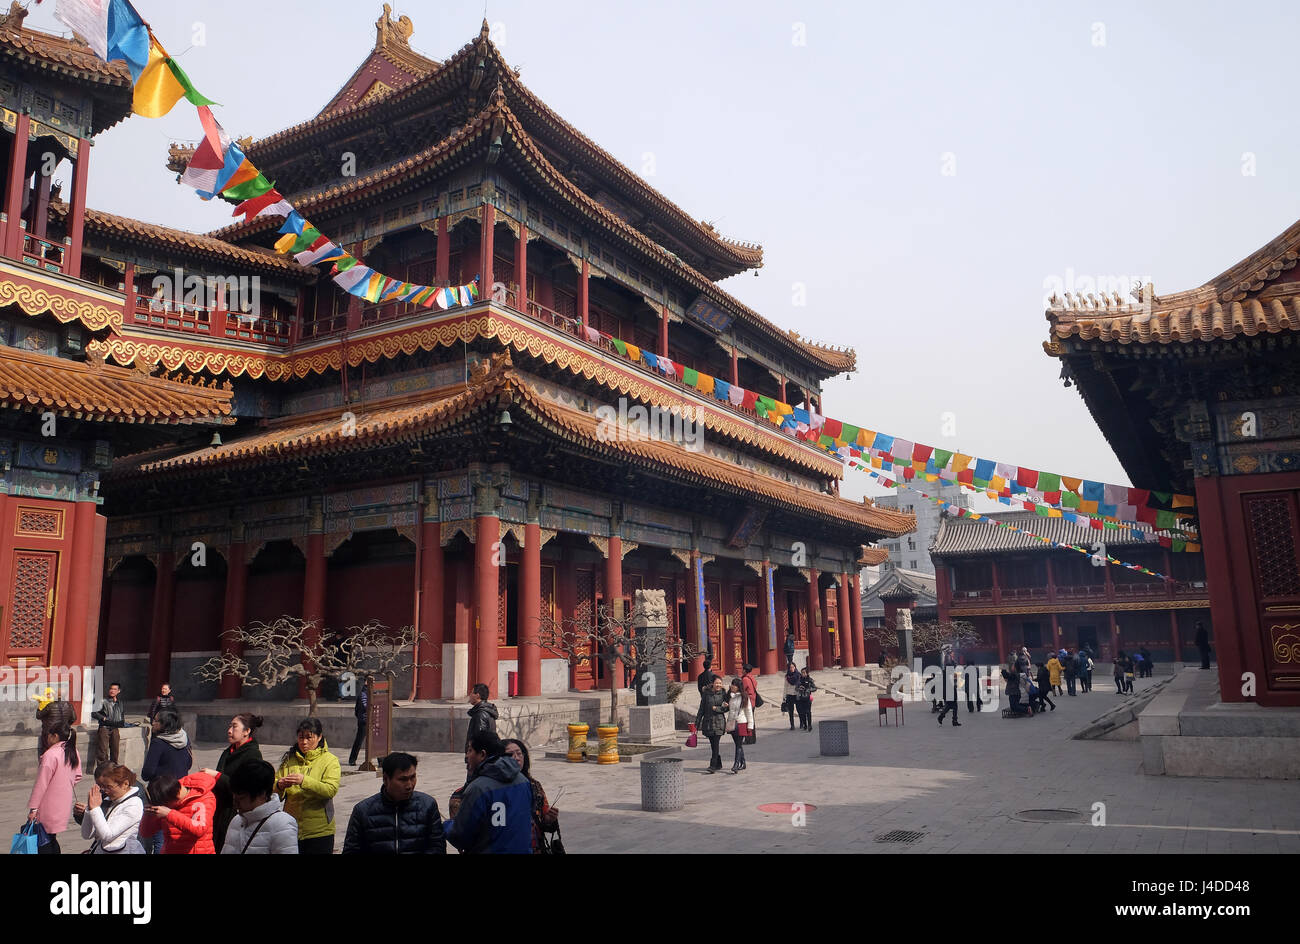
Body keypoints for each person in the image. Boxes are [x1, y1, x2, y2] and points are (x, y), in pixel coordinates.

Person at [444, 732, 533, 854]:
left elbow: (460, 836)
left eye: (470, 750)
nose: (467, 756)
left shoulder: (478, 788)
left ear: (482, 754)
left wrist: (448, 826)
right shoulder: (523, 781)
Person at [342, 752, 445, 854]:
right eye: (402, 779)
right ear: (386, 779)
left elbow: (437, 847)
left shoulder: (427, 806)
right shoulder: (363, 811)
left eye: (412, 777)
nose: (409, 785)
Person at [275, 717, 341, 854]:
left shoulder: (330, 761)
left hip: (319, 831)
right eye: (300, 737)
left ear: (319, 737)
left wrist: (304, 781)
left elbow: (330, 790)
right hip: (291, 828)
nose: (304, 742)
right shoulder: (289, 760)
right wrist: (279, 785)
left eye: (309, 738)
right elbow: (274, 792)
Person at [201, 712, 263, 853]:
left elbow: (246, 787)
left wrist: (217, 776)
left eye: (234, 727)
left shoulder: (253, 754)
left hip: (237, 813)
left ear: (247, 731)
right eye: (230, 726)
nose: (229, 731)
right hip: (219, 811)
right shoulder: (228, 751)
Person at [27, 721, 82, 854]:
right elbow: (78, 775)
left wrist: (34, 808)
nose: (47, 738)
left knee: (43, 839)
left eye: (48, 735)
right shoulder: (72, 751)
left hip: (47, 804)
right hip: (63, 802)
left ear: (55, 736)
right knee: (51, 836)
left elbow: (41, 784)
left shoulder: (50, 755)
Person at [222, 760, 299, 854]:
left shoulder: (282, 824)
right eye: (234, 797)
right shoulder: (236, 821)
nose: (236, 803)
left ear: (262, 794)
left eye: (241, 798)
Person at [502, 738, 559, 854]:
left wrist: (549, 820)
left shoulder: (534, 785)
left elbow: (544, 823)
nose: (516, 758)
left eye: (519, 753)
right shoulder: (495, 788)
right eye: (510, 754)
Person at [141, 771, 218, 854]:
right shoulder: (167, 802)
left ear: (175, 796)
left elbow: (199, 829)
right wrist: (148, 815)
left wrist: (169, 814)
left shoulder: (204, 798)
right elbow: (146, 833)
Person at [75, 763, 144, 854]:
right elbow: (87, 834)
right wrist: (89, 809)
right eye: (102, 787)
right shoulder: (108, 800)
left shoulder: (134, 804)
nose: (105, 791)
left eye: (109, 787)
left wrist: (95, 809)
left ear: (125, 784)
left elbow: (107, 835)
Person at [696, 675, 729, 771]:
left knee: (716, 743)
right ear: (712, 684)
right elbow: (701, 708)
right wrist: (697, 722)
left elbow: (726, 708)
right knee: (712, 744)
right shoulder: (706, 694)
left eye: (720, 683)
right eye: (716, 683)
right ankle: (718, 763)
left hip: (719, 722)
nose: (718, 685)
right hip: (708, 722)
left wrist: (717, 708)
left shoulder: (724, 694)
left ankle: (713, 765)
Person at [92, 682, 125, 768]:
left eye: (114, 689)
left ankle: (114, 769)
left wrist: (122, 721)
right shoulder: (102, 701)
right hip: (104, 728)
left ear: (119, 691)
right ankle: (102, 770)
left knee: (115, 750)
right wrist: (103, 718)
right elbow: (94, 713)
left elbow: (121, 714)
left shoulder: (120, 703)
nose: (112, 691)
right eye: (111, 689)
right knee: (102, 751)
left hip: (115, 728)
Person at [726, 677, 752, 773]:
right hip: (732, 722)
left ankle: (736, 764)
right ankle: (743, 762)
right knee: (738, 744)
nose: (732, 686)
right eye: (732, 684)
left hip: (741, 722)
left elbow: (749, 712)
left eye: (734, 684)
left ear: (738, 686)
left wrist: (750, 725)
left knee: (738, 745)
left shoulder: (744, 697)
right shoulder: (729, 696)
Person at [465, 682, 498, 751]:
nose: (470, 695)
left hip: (479, 756)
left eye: (471, 693)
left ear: (477, 695)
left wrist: (472, 754)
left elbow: (479, 739)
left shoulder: (481, 714)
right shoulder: (486, 711)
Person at [936, 649, 962, 726]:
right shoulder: (949, 674)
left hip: (947, 691)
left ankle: (949, 718)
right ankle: (945, 717)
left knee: (951, 705)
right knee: (952, 705)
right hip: (950, 691)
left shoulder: (945, 673)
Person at [348, 675, 368, 766]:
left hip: (372, 719)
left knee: (375, 741)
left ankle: (381, 760)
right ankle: (352, 759)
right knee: (359, 740)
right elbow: (365, 705)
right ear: (366, 682)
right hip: (364, 721)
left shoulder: (373, 691)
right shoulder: (363, 693)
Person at [741, 663, 759, 743]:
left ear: (745, 670)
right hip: (753, 700)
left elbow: (742, 689)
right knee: (751, 720)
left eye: (743, 669)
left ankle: (749, 738)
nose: (742, 670)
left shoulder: (745, 679)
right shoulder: (752, 677)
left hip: (748, 701)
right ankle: (752, 738)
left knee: (748, 720)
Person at [796, 665, 818, 731]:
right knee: (802, 713)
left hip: (808, 698)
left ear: (807, 673)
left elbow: (815, 688)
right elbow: (796, 688)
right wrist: (799, 688)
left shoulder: (810, 680)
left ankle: (809, 725)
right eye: (802, 672)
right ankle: (804, 724)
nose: (802, 674)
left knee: (808, 712)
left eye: (804, 672)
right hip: (800, 698)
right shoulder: (799, 680)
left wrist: (809, 689)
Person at [782, 661, 800, 729]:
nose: (792, 668)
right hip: (789, 695)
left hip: (796, 694)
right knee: (791, 711)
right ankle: (792, 725)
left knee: (799, 709)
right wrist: (784, 697)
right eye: (790, 667)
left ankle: (802, 723)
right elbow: (785, 687)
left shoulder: (798, 675)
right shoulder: (787, 676)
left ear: (795, 667)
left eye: (793, 667)